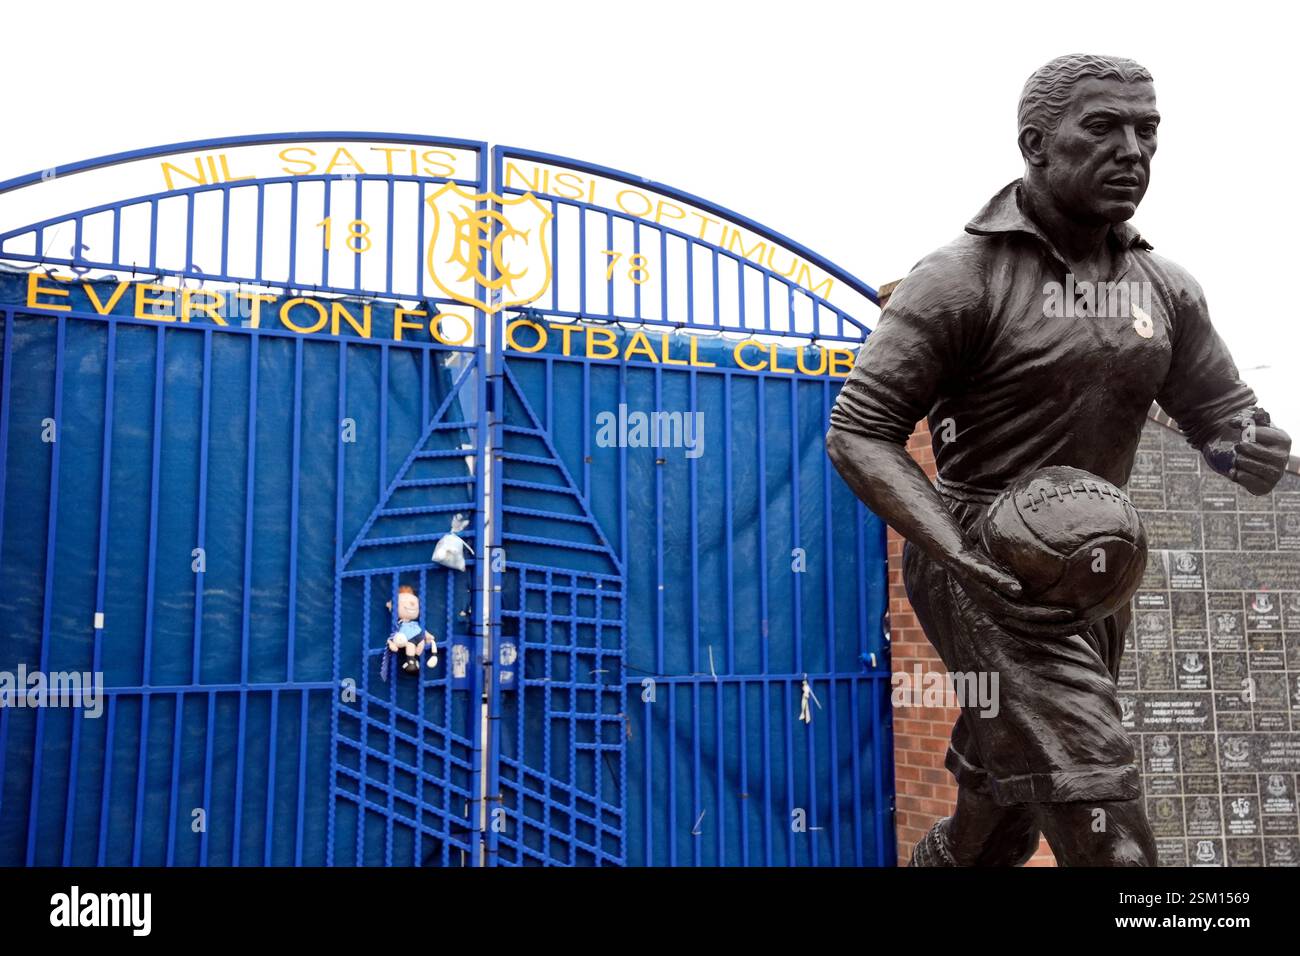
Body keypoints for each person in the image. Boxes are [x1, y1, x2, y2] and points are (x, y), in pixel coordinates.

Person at [826, 53, 1292, 866]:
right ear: (1036, 144)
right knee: (1107, 828)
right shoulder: (959, 278)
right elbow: (859, 431)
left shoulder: (1166, 288)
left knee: (999, 819)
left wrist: (1247, 450)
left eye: (1147, 131)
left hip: (1098, 567)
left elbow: (1220, 420)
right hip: (987, 565)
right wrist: (961, 553)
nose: (1133, 151)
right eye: (1103, 128)